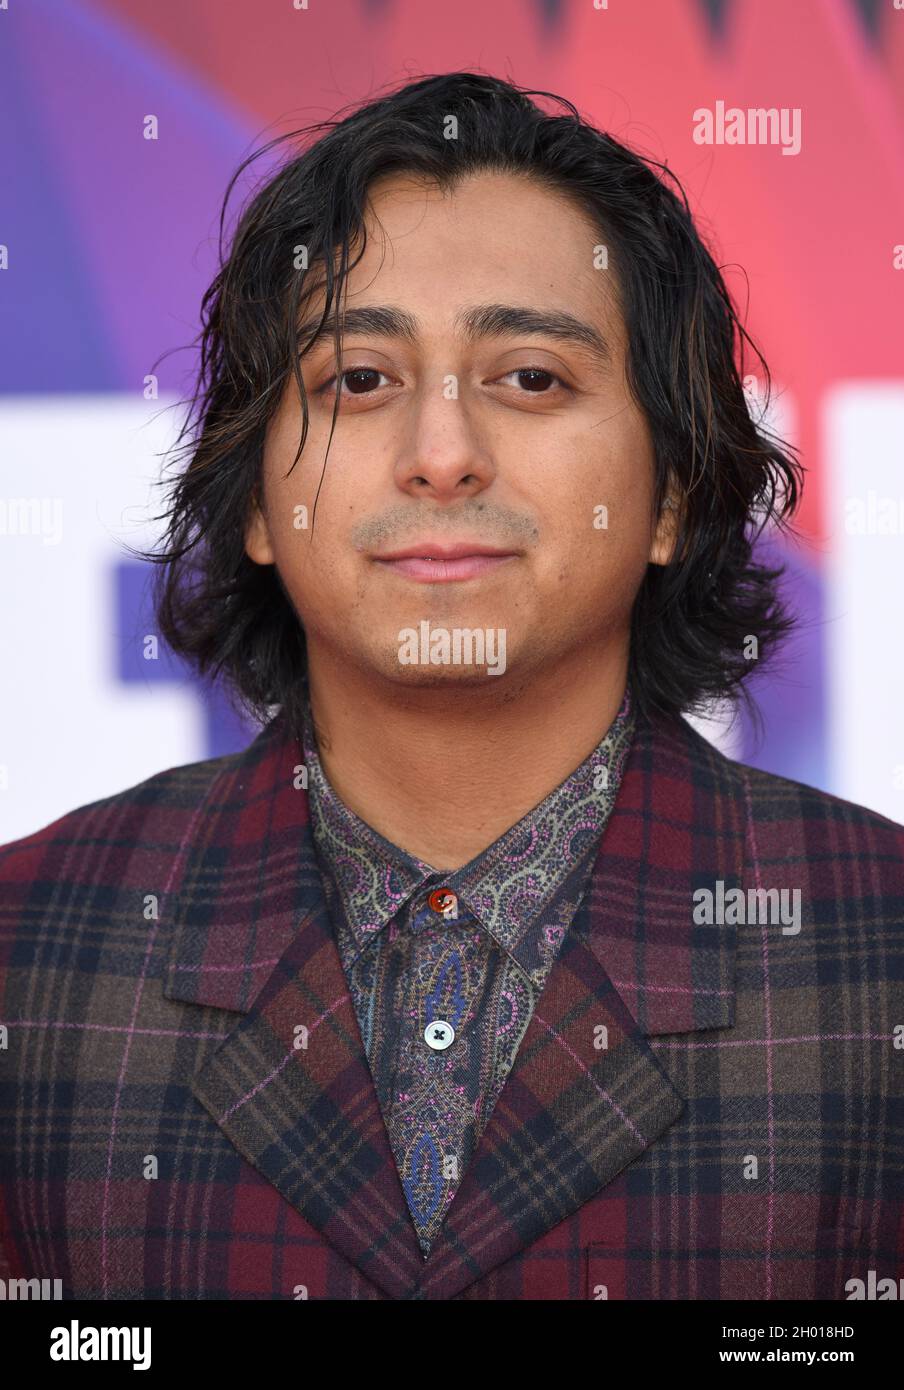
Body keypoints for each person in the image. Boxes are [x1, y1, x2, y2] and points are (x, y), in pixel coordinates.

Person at [1, 71, 901, 1302]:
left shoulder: (876, 946)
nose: (440, 455)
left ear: (674, 490)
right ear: (257, 498)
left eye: (530, 377)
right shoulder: (31, 950)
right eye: (358, 381)